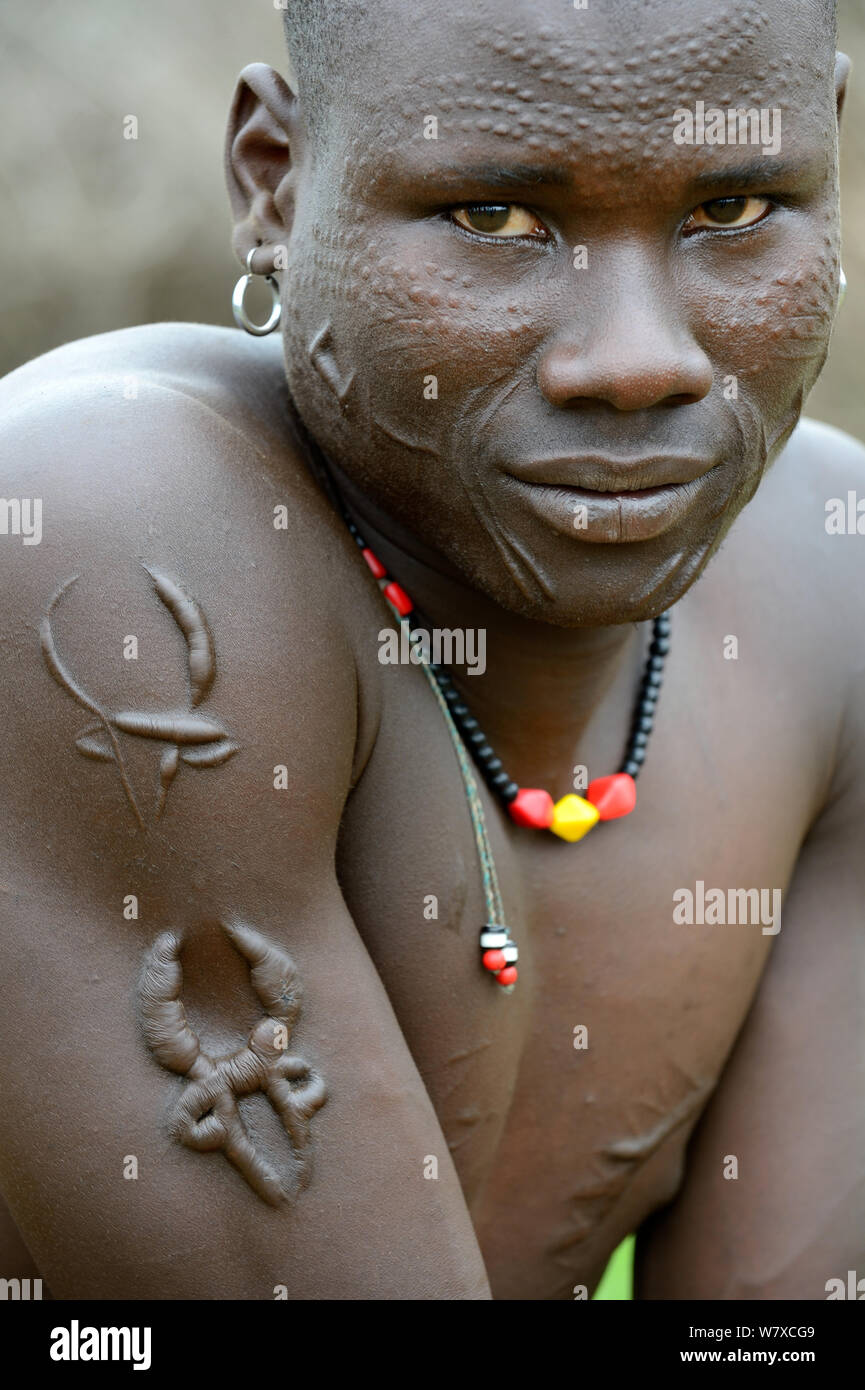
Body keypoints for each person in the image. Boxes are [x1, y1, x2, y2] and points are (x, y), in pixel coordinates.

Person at [0, 0, 862, 1301]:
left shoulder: (831, 587)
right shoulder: (111, 533)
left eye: (731, 211)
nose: (634, 362)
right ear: (275, 184)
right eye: (495, 218)